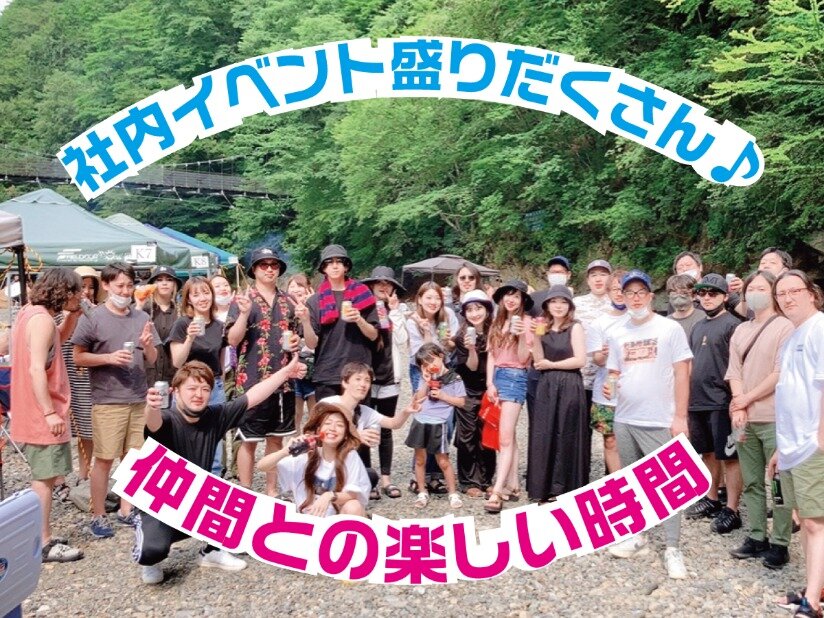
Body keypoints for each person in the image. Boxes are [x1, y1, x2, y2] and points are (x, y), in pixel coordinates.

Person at [136, 356, 306, 584]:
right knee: (153, 550)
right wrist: (151, 406)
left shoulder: (214, 415)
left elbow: (253, 396)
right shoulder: (167, 419)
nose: (199, 394)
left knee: (242, 508)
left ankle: (212, 549)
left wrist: (285, 372)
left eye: (205, 389)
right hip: (163, 502)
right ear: (175, 392)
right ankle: (149, 553)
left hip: (197, 499)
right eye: (191, 388)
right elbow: (153, 423)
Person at [604, 270, 692, 580]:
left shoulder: (669, 329)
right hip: (626, 417)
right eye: (629, 293)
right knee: (631, 480)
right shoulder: (616, 332)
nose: (635, 298)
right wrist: (610, 385)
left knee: (668, 485)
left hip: (660, 419)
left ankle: (672, 547)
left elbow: (683, 373)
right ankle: (636, 535)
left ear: (651, 296)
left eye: (641, 292)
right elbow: (614, 372)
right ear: (622, 297)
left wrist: (680, 417)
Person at [71, 262, 161, 539]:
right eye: (119, 285)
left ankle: (126, 509)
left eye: (129, 285)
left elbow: (153, 358)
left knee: (134, 458)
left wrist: (148, 345)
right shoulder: (93, 318)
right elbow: (78, 357)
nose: (125, 291)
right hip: (107, 400)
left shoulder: (141, 317)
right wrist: (108, 358)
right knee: (104, 459)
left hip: (137, 397)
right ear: (106, 285)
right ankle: (98, 514)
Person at [10, 268, 84, 562]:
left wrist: (73, 317)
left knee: (46, 477)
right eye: (77, 291)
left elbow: (56, 342)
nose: (81, 295)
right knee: (44, 479)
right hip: (41, 414)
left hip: (30, 410)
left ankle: (40, 535)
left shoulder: (31, 312)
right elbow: (36, 369)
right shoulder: (41, 320)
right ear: (64, 291)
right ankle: (42, 542)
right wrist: (50, 412)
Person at [726, 271, 794, 568]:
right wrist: (739, 404)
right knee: (752, 480)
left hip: (775, 417)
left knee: (779, 483)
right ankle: (756, 536)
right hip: (745, 418)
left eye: (762, 288)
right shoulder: (741, 330)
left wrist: (746, 399)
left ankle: (780, 542)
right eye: (751, 288)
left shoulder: (785, 326)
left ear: (773, 292)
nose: (755, 292)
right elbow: (734, 371)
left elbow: (780, 372)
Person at [768, 270, 824, 618]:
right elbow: (789, 395)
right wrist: (779, 447)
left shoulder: (819, 328)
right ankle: (814, 587)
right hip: (791, 444)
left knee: (817, 522)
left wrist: (821, 437)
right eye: (781, 294)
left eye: (794, 291)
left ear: (811, 293)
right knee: (805, 519)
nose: (788, 298)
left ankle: (813, 602)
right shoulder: (792, 336)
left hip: (812, 442)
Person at [226, 248, 298, 496]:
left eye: (274, 265)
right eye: (263, 265)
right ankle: (245, 491)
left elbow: (299, 337)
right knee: (248, 439)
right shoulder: (243, 299)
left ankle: (271, 491)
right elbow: (232, 340)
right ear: (254, 270)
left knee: (276, 438)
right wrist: (244, 314)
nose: (269, 269)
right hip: (252, 381)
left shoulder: (289, 301)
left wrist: (297, 342)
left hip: (283, 382)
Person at [684, 274, 744, 534]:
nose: (707, 297)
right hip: (698, 399)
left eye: (713, 293)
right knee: (706, 452)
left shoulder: (734, 325)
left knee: (729, 456)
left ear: (725, 296)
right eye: (702, 293)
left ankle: (732, 508)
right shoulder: (697, 326)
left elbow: (739, 365)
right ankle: (711, 498)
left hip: (722, 400)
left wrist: (737, 401)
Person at [319, 362, 421, 498]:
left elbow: (393, 423)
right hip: (322, 463)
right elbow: (316, 436)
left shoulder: (364, 411)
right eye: (358, 379)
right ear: (345, 383)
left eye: (367, 380)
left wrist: (407, 411)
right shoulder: (328, 404)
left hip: (343, 466)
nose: (363, 384)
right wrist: (356, 436)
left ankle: (340, 497)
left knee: (370, 476)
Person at [258, 401, 370, 518]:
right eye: (327, 423)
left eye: (339, 425)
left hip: (336, 522)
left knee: (354, 506)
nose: (332, 428)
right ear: (318, 430)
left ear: (346, 434)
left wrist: (329, 496)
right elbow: (262, 466)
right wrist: (285, 451)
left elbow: (352, 495)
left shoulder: (350, 456)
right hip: (308, 520)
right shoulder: (306, 456)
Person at [527, 285, 588, 501]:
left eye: (563, 302)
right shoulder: (543, 327)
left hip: (569, 383)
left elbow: (580, 360)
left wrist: (552, 365)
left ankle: (564, 487)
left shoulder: (575, 327)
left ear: (570, 306)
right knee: (545, 432)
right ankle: (543, 486)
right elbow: (538, 360)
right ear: (547, 305)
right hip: (547, 384)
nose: (558, 306)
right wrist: (535, 336)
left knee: (566, 432)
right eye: (554, 301)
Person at [303, 244, 379, 400]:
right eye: (329, 262)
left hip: (358, 373)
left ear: (346, 266)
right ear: (323, 268)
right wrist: (305, 321)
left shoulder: (362, 294)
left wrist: (359, 319)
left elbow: (374, 335)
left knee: (358, 416)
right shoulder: (315, 300)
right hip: (327, 372)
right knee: (328, 416)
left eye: (339, 261)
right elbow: (311, 344)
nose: (335, 265)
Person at [168, 276, 227, 475]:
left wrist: (219, 385)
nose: (202, 298)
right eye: (196, 294)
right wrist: (190, 338)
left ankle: (212, 482)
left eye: (206, 292)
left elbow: (220, 362)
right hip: (187, 387)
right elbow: (177, 362)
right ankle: (184, 485)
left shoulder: (219, 326)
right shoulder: (182, 324)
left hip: (213, 387)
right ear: (189, 300)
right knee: (183, 439)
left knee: (214, 441)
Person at [484, 280, 533, 513]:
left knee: (503, 437)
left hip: (516, 377)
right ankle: (513, 484)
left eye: (516, 296)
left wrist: (521, 335)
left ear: (523, 300)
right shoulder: (497, 321)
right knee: (509, 434)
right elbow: (491, 355)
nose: (511, 299)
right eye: (507, 295)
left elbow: (524, 359)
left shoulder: (527, 322)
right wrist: (489, 383)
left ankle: (497, 489)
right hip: (498, 377)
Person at [361, 266, 410, 498]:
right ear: (371, 285)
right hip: (366, 378)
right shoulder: (362, 309)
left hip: (390, 376)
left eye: (387, 283)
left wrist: (395, 311)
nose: (383, 286)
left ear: (393, 288)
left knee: (386, 429)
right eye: (378, 282)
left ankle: (387, 479)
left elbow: (402, 340)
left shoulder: (397, 311)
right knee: (364, 428)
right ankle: (367, 479)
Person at [406, 343, 466, 509]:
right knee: (420, 459)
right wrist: (426, 382)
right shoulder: (424, 377)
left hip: (439, 423)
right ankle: (422, 492)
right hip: (420, 420)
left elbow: (461, 402)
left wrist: (443, 396)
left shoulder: (454, 378)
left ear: (441, 356)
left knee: (443, 461)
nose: (430, 366)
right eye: (425, 364)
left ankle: (453, 493)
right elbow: (417, 399)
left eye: (432, 360)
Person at [452, 289, 496, 497]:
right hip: (467, 390)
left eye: (478, 308)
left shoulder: (495, 332)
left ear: (487, 310)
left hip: (490, 389)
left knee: (487, 433)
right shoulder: (461, 336)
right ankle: (468, 480)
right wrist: (471, 348)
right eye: (469, 310)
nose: (475, 313)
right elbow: (471, 367)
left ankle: (486, 479)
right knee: (467, 435)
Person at [587, 269, 629, 475]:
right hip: (607, 390)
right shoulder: (599, 323)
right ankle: (619, 482)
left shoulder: (642, 320)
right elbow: (596, 359)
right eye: (614, 289)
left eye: (623, 289)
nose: (619, 293)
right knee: (610, 440)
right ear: (608, 292)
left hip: (635, 389)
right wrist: (604, 354)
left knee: (634, 440)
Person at [406, 281, 460, 391]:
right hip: (421, 368)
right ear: (420, 300)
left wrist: (446, 342)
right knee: (423, 399)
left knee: (446, 398)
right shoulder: (413, 322)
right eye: (429, 298)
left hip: (444, 365)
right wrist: (426, 331)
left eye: (437, 298)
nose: (433, 302)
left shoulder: (448, 314)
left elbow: (453, 347)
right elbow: (424, 355)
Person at [137, 265, 182, 387]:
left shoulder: (182, 311)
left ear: (174, 284)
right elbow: (130, 328)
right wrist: (139, 306)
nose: (164, 283)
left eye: (169, 280)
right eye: (159, 280)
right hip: (146, 375)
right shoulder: (143, 308)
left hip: (174, 375)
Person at [286, 273, 316, 431]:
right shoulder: (285, 310)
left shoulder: (315, 307)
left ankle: (313, 442)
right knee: (295, 414)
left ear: (308, 288)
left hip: (313, 368)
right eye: (292, 286)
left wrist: (312, 304)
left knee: (314, 413)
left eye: (300, 286)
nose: (295, 289)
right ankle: (296, 441)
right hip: (292, 369)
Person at [666, 273, 705, 339]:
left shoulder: (704, 319)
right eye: (674, 292)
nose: (678, 295)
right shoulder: (665, 323)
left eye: (683, 293)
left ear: (694, 296)